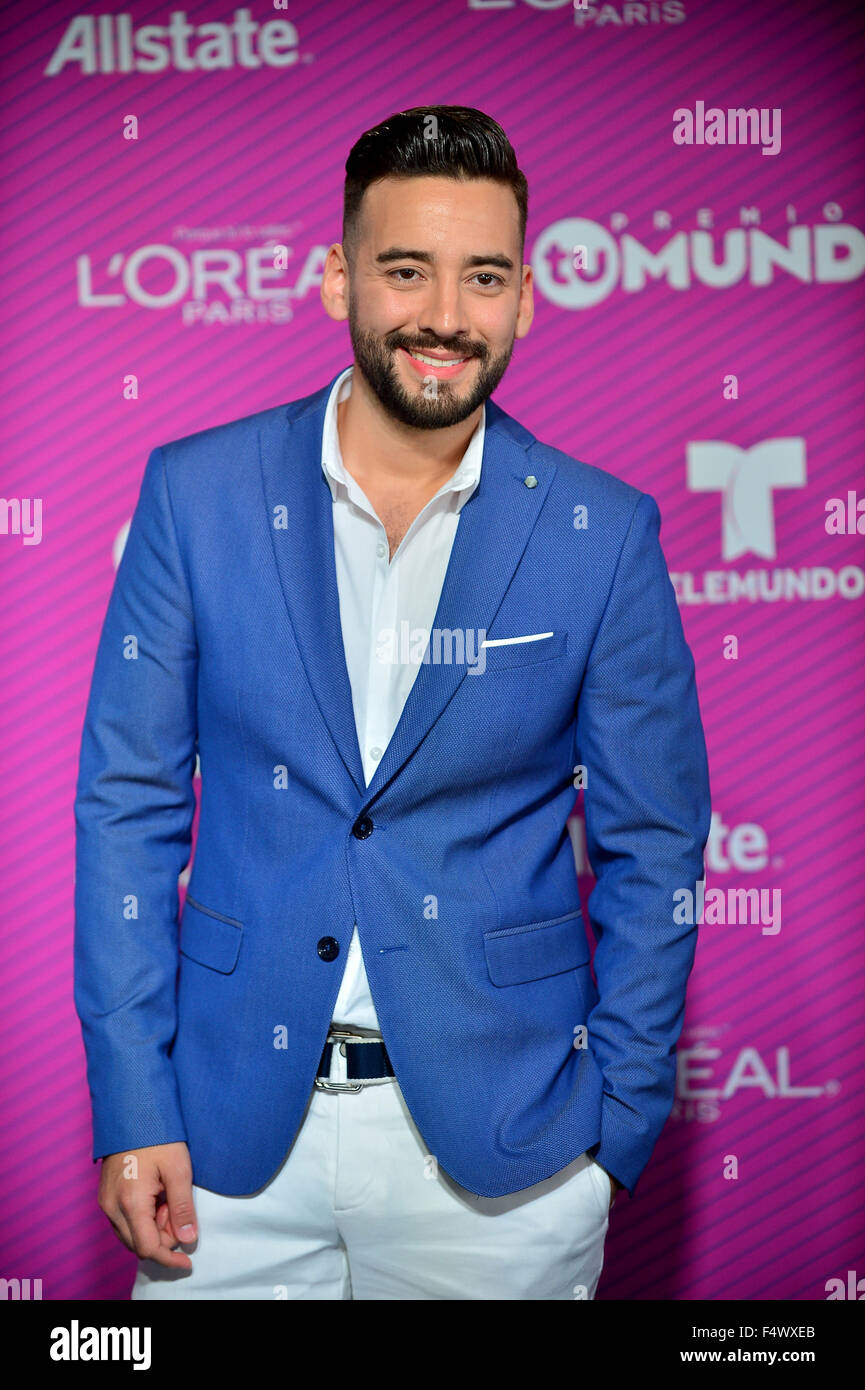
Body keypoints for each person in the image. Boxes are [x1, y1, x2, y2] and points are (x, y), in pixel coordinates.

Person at [74, 105, 712, 1301]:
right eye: (404, 269)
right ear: (337, 280)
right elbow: (126, 807)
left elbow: (656, 840)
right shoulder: (196, 495)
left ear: (524, 297)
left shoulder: (602, 532)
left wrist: (611, 1132)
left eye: (483, 277)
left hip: (505, 1161)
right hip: (220, 1153)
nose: (443, 316)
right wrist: (130, 1103)